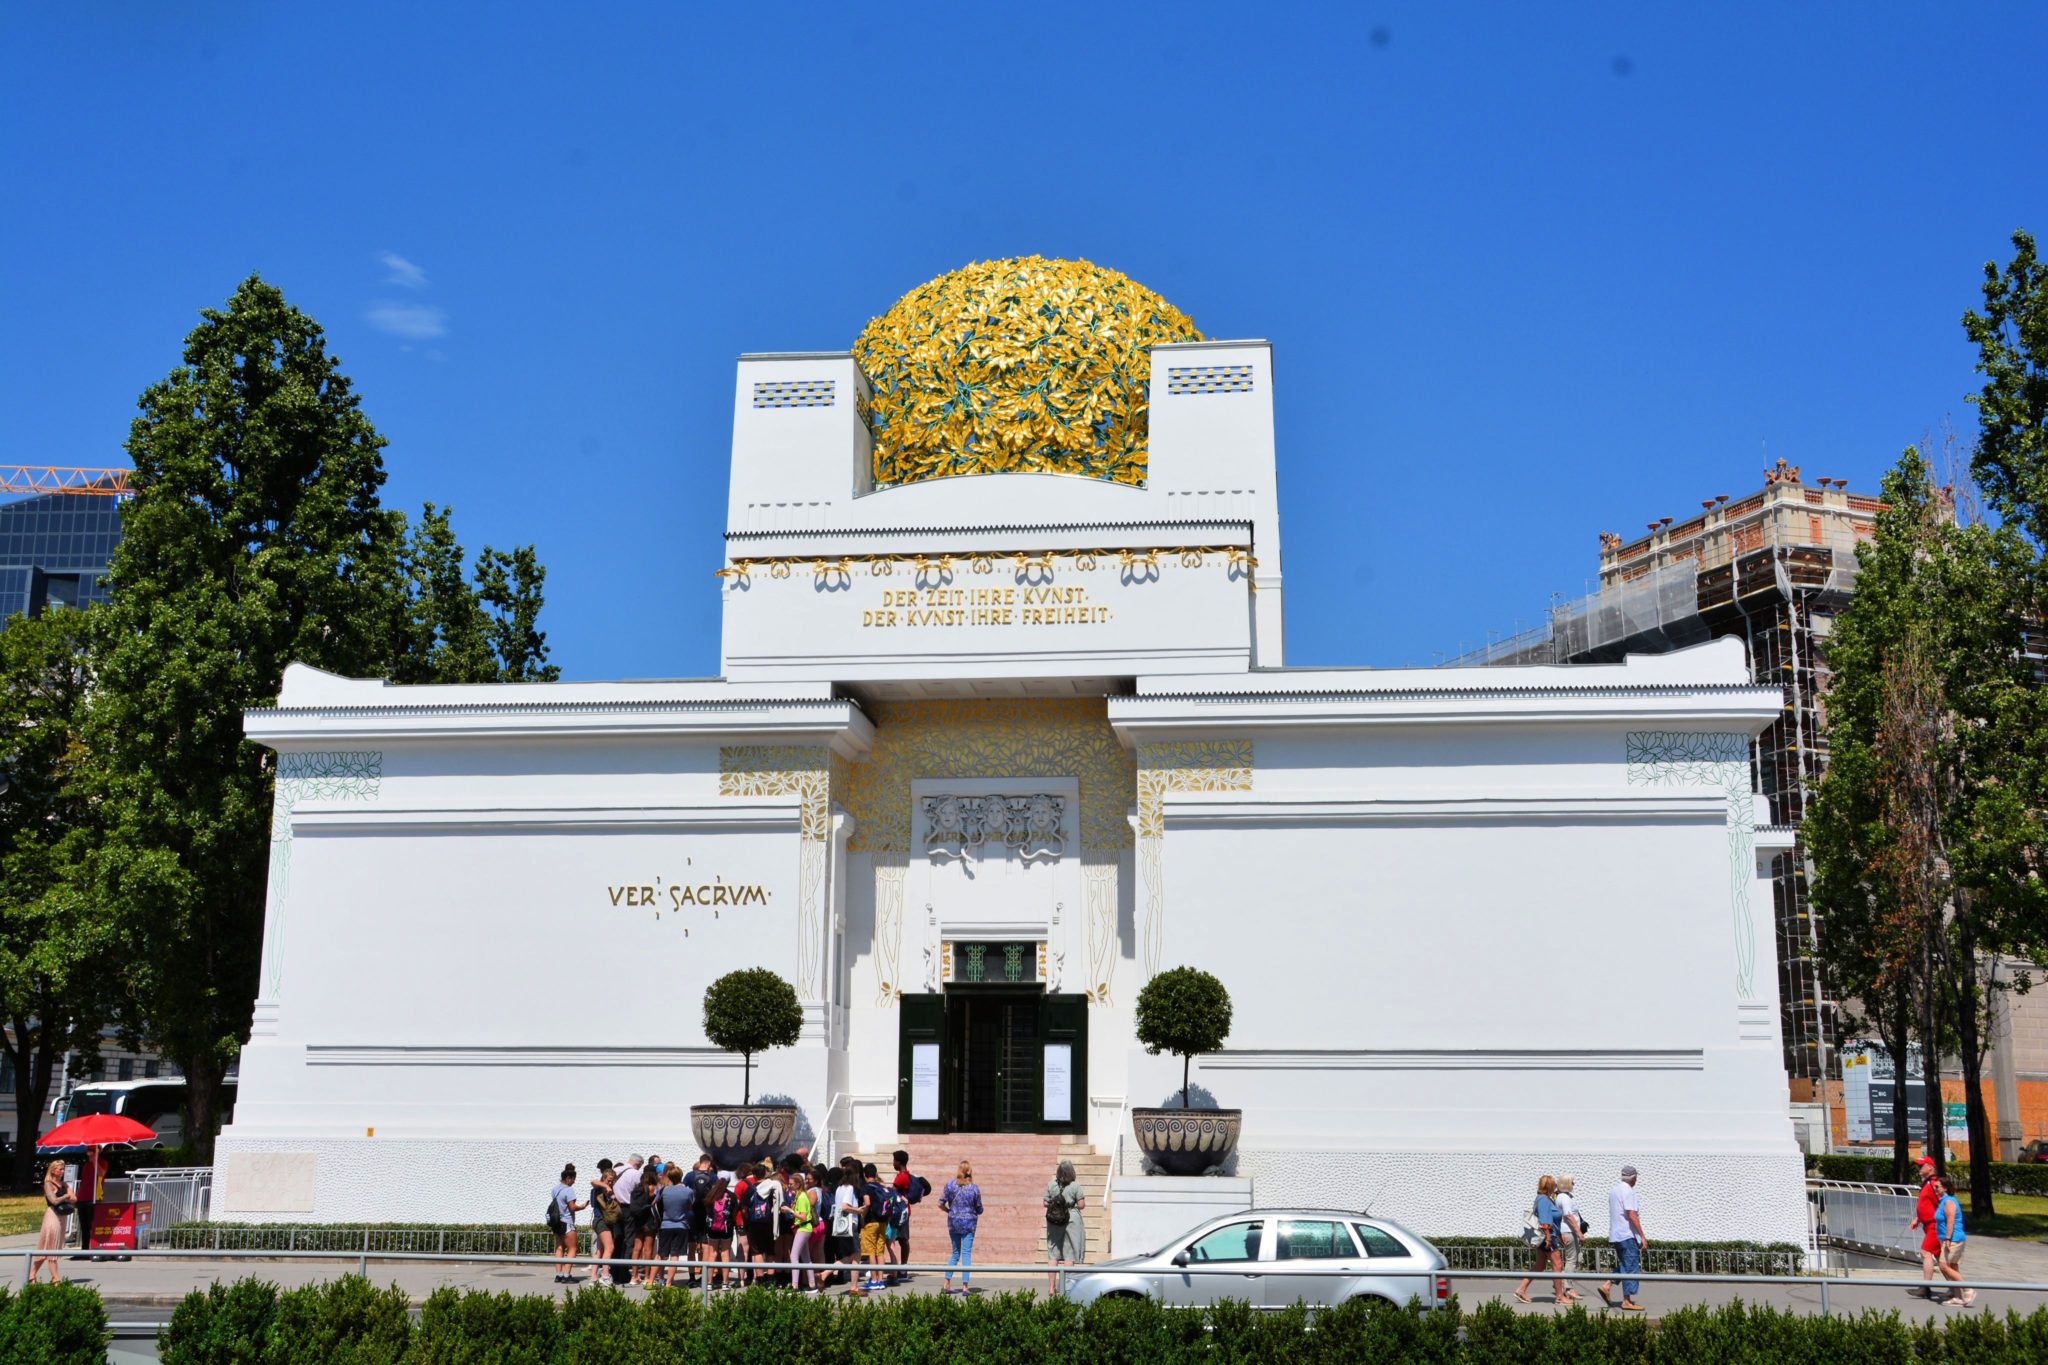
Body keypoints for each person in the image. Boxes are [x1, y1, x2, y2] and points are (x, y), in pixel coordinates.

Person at [1597, 1165, 1647, 1312]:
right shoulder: (1629, 1191)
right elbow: (1631, 1214)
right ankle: (1627, 1301)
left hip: (1616, 1234)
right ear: (1633, 1178)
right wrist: (1642, 1236)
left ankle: (1607, 1285)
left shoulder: (1614, 1190)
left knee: (1626, 1264)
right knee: (1631, 1267)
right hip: (1627, 1234)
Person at [1513, 1174, 1565, 1305]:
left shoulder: (1544, 1199)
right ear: (1549, 1186)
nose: (1555, 1187)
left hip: (1548, 1236)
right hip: (1548, 1237)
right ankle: (1560, 1296)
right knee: (1557, 1265)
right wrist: (1549, 1238)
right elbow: (1545, 1221)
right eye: (1554, 1184)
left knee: (1540, 1265)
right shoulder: (1543, 1200)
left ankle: (1521, 1289)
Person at [938, 1160, 982, 1295]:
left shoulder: (950, 1185)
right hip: (969, 1223)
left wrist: (950, 1211)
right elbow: (979, 1208)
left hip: (953, 1222)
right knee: (966, 1253)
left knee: (955, 1253)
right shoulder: (974, 1188)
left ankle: (946, 1283)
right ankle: (965, 1286)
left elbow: (940, 1203)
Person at [1909, 1154, 1948, 1302]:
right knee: (1941, 1259)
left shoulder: (1933, 1183)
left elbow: (1942, 1202)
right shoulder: (1927, 1183)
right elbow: (1928, 1204)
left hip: (1934, 1225)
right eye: (1919, 1165)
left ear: (1930, 1168)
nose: (1919, 1168)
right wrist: (1918, 1218)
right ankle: (1954, 1287)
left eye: (1922, 1165)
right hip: (1928, 1224)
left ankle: (1925, 1287)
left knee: (1925, 1253)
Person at [1045, 1158, 1086, 1294]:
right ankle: (1066, 1288)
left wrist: (1054, 1203)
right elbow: (1081, 1205)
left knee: (1053, 1254)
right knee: (1069, 1255)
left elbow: (1045, 1203)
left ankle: (1052, 1287)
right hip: (1071, 1220)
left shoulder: (1051, 1184)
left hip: (1054, 1220)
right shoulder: (1075, 1186)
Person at [31, 1159, 74, 1285]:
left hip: (62, 1216)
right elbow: (53, 1201)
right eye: (60, 1169)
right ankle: (56, 1280)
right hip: (52, 1216)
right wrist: (66, 1196)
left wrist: (66, 1196)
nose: (62, 1171)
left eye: (63, 1169)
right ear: (53, 1170)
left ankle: (31, 1275)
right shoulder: (48, 1184)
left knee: (46, 1248)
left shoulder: (64, 1184)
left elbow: (75, 1198)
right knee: (51, 1247)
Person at [1935, 1175, 1973, 1307]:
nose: (1935, 1189)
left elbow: (1950, 1220)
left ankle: (1968, 1289)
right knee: (1953, 1266)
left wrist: (1947, 1239)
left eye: (1937, 1186)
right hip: (1951, 1238)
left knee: (1943, 1266)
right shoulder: (1944, 1201)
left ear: (1945, 1188)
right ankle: (1957, 1297)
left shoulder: (1949, 1201)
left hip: (1953, 1239)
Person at [829, 1163, 865, 1295]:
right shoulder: (850, 1188)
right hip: (851, 1225)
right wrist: (858, 1210)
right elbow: (845, 1206)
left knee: (850, 1256)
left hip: (841, 1226)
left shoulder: (839, 1188)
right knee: (856, 1256)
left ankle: (824, 1274)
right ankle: (854, 1287)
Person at [656, 1165, 693, 1287]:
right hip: (681, 1225)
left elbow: (656, 1205)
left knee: (660, 1254)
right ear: (681, 1176)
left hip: (665, 1224)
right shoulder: (688, 1191)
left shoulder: (664, 1190)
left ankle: (653, 1279)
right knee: (675, 1255)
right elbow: (690, 1207)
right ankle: (669, 1283)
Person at [858, 1161, 891, 1291]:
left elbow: (867, 1203)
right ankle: (881, 1280)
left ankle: (873, 1279)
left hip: (870, 1222)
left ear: (865, 1175)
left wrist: (862, 1217)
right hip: (882, 1221)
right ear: (875, 1174)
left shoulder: (866, 1187)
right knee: (880, 1251)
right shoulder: (882, 1187)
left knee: (871, 1251)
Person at [1554, 1174, 1586, 1303]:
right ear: (1567, 1183)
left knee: (1574, 1258)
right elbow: (1568, 1215)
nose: (1574, 1184)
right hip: (1569, 1231)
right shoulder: (1564, 1198)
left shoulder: (1562, 1197)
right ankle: (1568, 1288)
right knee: (1572, 1260)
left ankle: (1565, 1285)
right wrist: (1579, 1232)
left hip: (1568, 1231)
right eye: (1572, 1182)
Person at [550, 1163, 584, 1283]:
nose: (574, 1182)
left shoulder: (555, 1189)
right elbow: (572, 1207)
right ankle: (566, 1275)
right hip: (567, 1222)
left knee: (559, 1248)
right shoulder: (569, 1190)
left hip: (557, 1222)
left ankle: (558, 1274)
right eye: (573, 1179)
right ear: (569, 1178)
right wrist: (582, 1207)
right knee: (572, 1248)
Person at [789, 1167, 820, 1292]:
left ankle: (794, 1286)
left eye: (791, 1184)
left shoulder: (801, 1197)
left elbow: (802, 1216)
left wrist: (790, 1210)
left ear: (797, 1184)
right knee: (806, 1257)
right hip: (805, 1228)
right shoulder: (801, 1195)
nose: (789, 1186)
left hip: (803, 1228)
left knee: (793, 1256)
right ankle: (812, 1285)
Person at [588, 1162, 619, 1271]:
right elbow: (592, 1181)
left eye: (612, 1181)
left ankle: (594, 1277)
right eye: (608, 1180)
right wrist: (605, 1185)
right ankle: (605, 1275)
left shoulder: (611, 1191)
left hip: (608, 1222)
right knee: (610, 1247)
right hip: (600, 1220)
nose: (610, 1183)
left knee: (600, 1250)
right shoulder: (598, 1188)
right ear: (603, 1178)